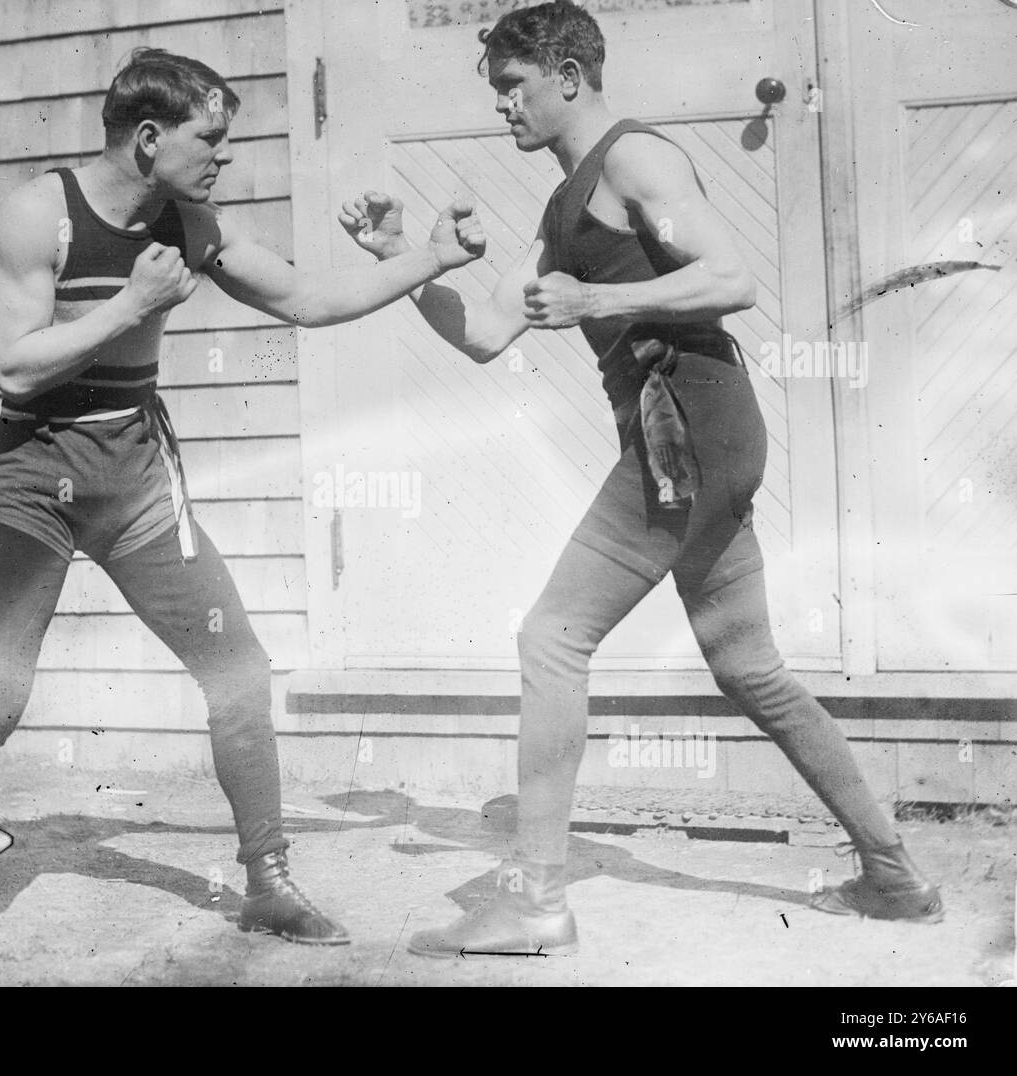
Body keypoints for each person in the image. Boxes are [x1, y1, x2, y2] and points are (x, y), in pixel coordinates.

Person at [338, 0, 942, 958]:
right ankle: (893, 871)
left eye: (514, 86)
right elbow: (490, 335)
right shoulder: (563, 202)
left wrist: (598, 297)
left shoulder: (635, 160)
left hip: (688, 432)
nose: (503, 106)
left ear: (568, 75)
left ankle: (538, 899)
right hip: (696, 439)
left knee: (552, 637)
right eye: (498, 91)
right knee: (747, 665)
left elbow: (734, 277)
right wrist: (406, 263)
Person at [0, 46, 485, 957]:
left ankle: (269, 883)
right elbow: (13, 367)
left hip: (134, 478)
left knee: (238, 671)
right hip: (37, 478)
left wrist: (429, 257)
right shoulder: (37, 211)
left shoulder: (189, 221)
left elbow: (310, 300)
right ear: (151, 137)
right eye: (213, 138)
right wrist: (132, 306)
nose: (226, 156)